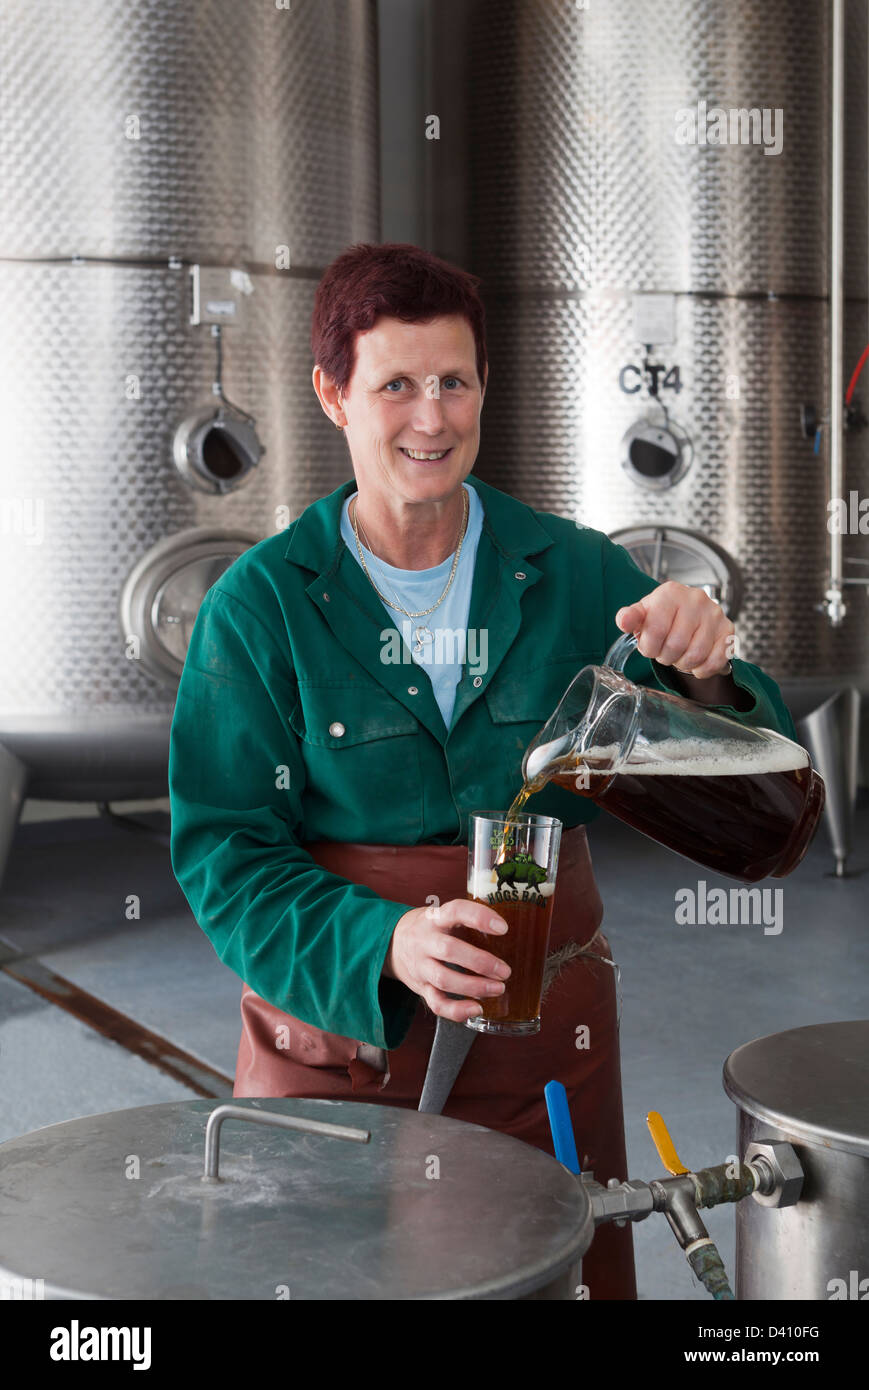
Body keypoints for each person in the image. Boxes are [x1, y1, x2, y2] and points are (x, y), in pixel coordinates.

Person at [168, 242, 798, 1300]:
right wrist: (386, 941)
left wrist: (707, 677)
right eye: (396, 385)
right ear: (332, 394)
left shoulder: (576, 575)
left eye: (452, 381)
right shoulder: (264, 605)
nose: (430, 418)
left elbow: (759, 815)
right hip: (340, 1044)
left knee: (551, 1275)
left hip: (541, 1043)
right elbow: (226, 853)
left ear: (483, 387)